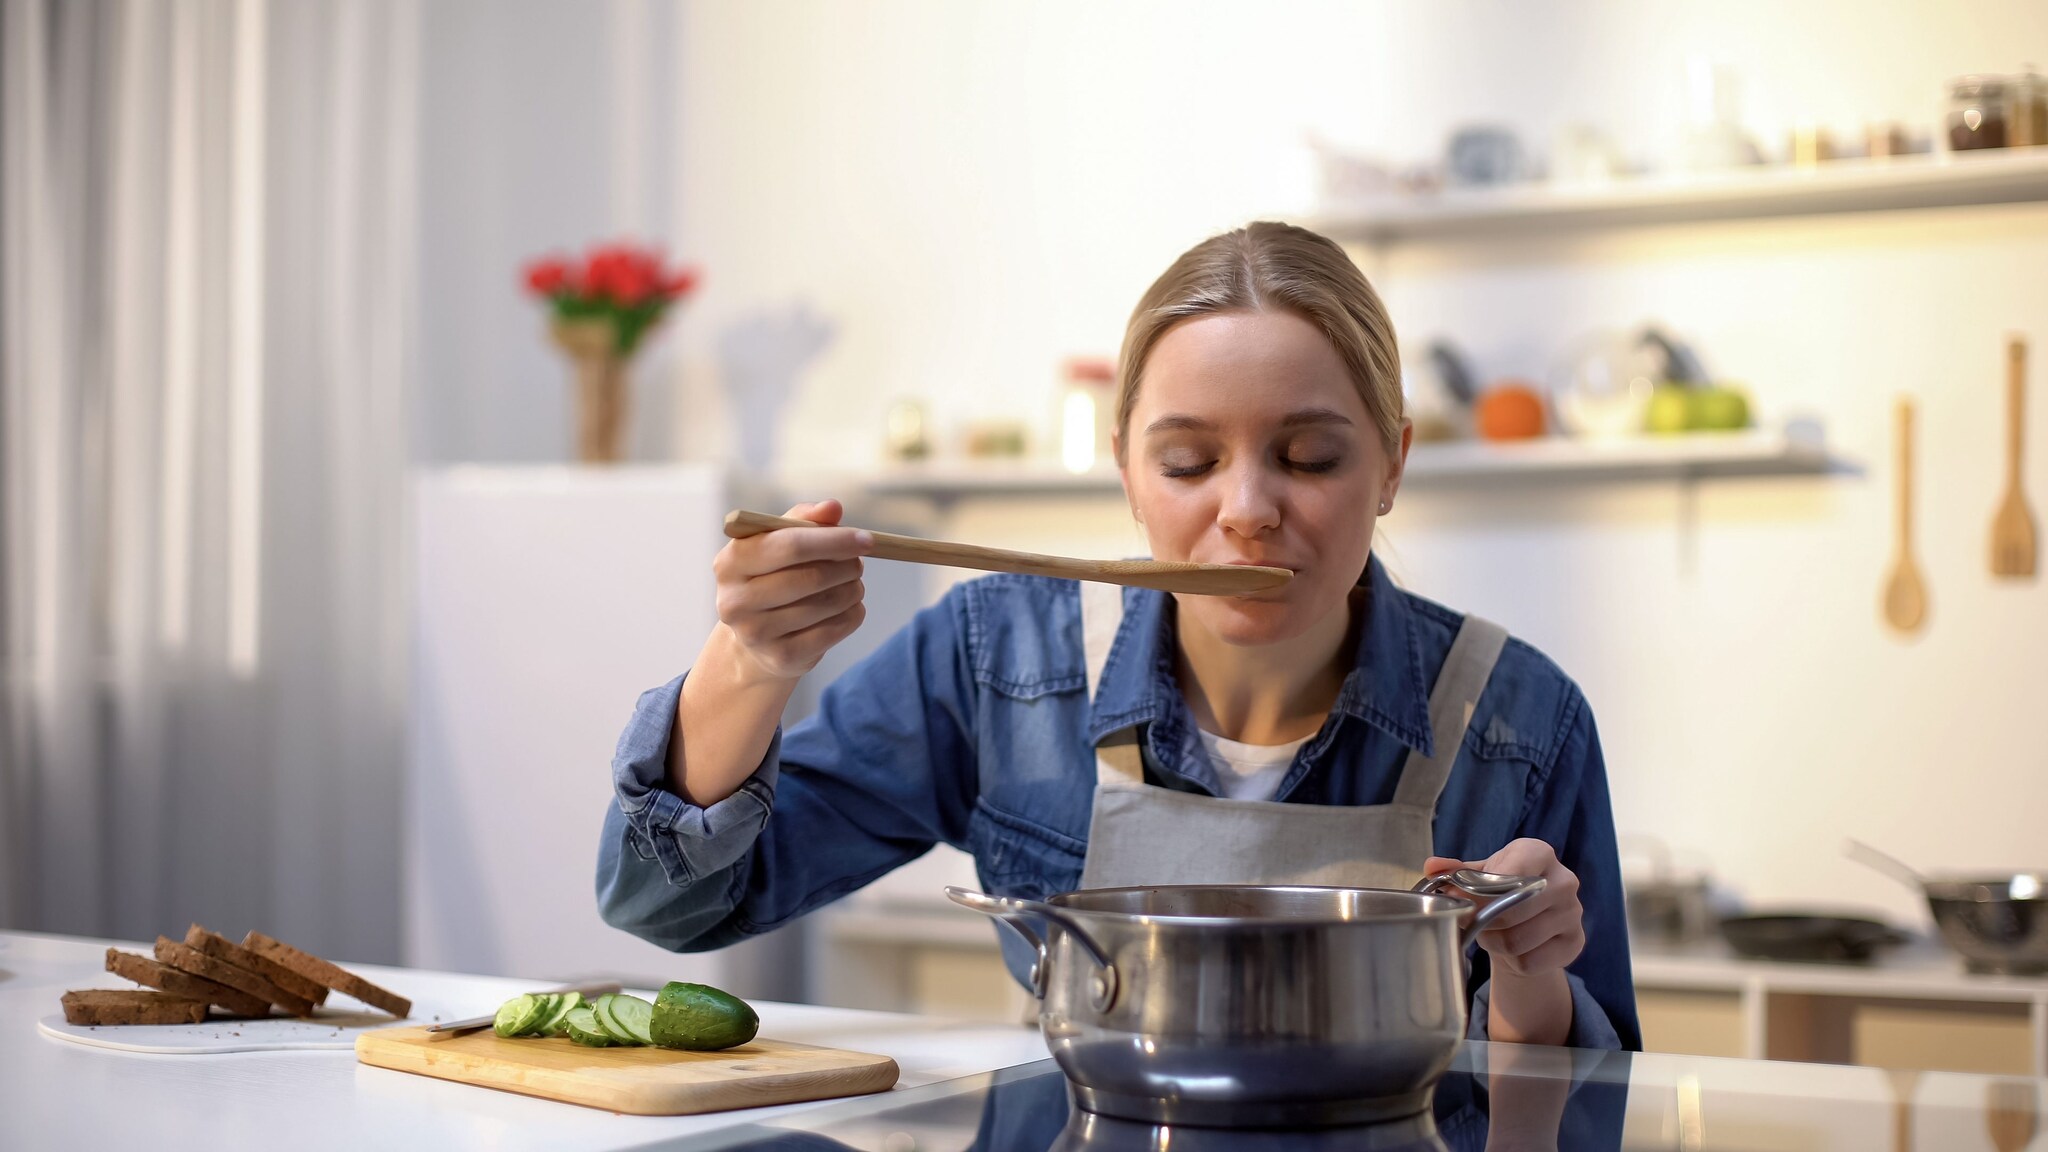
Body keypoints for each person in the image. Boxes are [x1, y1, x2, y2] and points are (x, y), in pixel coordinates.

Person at [598, 221, 1639, 1050]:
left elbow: (1593, 1095)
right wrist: (748, 662)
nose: (1246, 509)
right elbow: (669, 910)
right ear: (1126, 471)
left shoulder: (1517, 720)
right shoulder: (996, 662)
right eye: (1187, 463)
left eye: (1310, 457)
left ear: (1393, 465)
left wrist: (1527, 976)